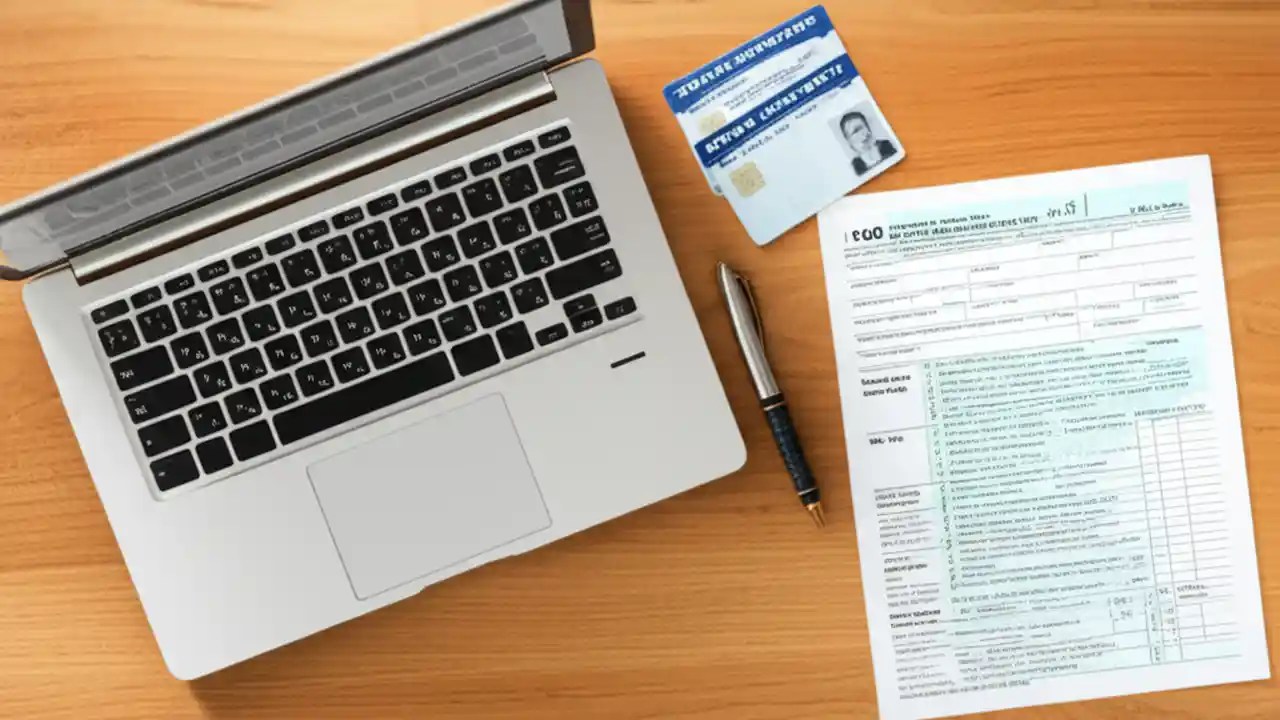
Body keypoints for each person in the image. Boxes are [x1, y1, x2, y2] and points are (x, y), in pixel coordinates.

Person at [839, 110, 897, 176]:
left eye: (862, 127)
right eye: (855, 131)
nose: (862, 133)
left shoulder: (887, 147)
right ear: (849, 141)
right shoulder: (855, 168)